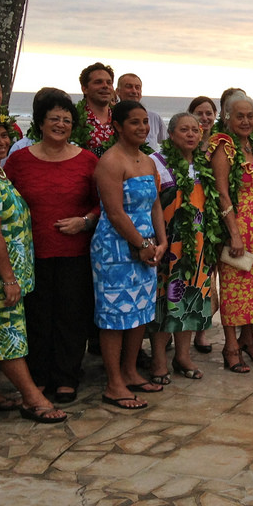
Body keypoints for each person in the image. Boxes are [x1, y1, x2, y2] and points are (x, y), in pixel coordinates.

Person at [0, 108, 66, 423]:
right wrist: (7, 279)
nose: (0, 142)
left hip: (0, 273)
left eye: (4, 135)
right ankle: (34, 399)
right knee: (8, 337)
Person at [5, 90, 99, 403]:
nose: (60, 124)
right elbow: (6, 204)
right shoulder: (19, 160)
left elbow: (104, 205)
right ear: (41, 123)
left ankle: (67, 378)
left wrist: (83, 221)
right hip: (31, 254)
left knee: (72, 316)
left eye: (66, 120)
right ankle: (39, 376)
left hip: (76, 252)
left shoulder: (87, 160)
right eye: (54, 119)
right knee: (37, 316)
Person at [91, 100, 168, 409]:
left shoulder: (148, 161)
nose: (142, 128)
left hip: (146, 246)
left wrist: (161, 242)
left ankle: (131, 371)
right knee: (115, 314)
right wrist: (141, 245)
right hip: (116, 248)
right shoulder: (111, 161)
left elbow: (155, 205)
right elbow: (114, 212)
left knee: (140, 312)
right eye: (134, 122)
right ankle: (113, 383)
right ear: (118, 126)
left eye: (144, 122)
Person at [208, 91, 253, 373]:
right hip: (236, 226)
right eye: (239, 116)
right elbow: (222, 192)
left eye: (250, 116)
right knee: (235, 290)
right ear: (227, 117)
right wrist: (233, 232)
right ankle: (230, 345)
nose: (245, 121)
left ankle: (248, 338)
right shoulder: (223, 146)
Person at [148, 112, 214, 382]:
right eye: (184, 130)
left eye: (195, 130)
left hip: (197, 246)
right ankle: (159, 359)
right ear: (171, 134)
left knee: (191, 301)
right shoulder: (156, 163)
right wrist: (160, 241)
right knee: (164, 301)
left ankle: (183, 356)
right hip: (168, 244)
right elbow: (152, 206)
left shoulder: (203, 164)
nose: (190, 134)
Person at [186, 95, 218, 353]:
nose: (205, 118)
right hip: (190, 216)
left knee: (210, 277)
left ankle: (201, 331)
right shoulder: (185, 144)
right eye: (200, 113)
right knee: (190, 275)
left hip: (214, 215)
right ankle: (184, 327)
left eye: (209, 113)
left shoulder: (221, 145)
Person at [117, 73, 167, 150]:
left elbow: (168, 143)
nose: (134, 91)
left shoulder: (154, 118)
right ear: (118, 91)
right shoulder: (111, 116)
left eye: (137, 87)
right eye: (129, 87)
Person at [77, 62, 116, 156]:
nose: (105, 86)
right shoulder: (73, 118)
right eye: (98, 82)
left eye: (109, 82)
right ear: (84, 89)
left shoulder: (121, 117)